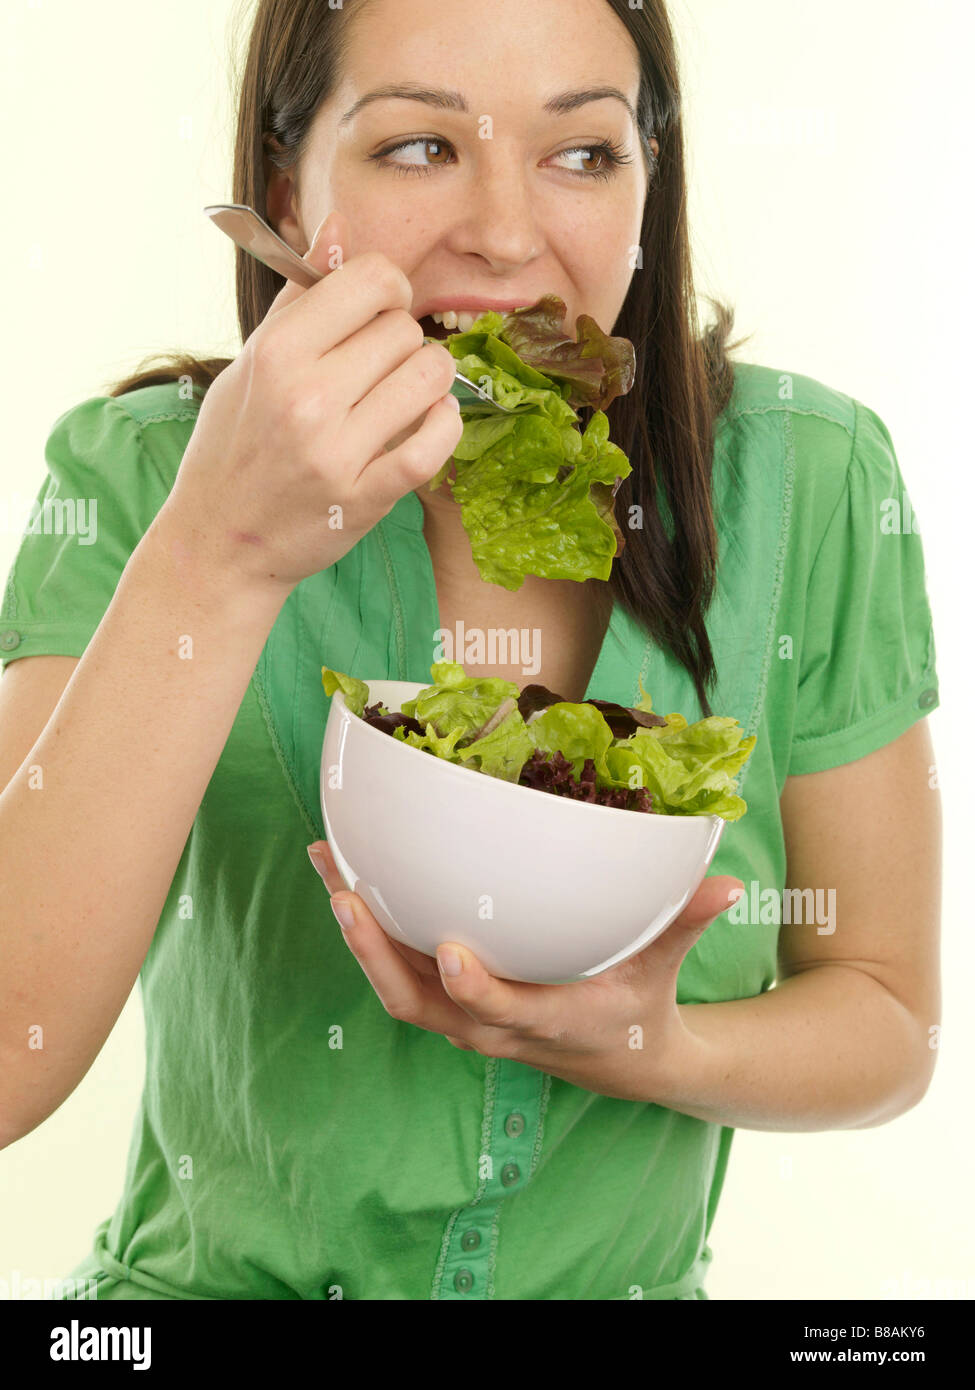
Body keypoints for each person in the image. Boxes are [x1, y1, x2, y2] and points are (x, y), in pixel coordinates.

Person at [0, 0, 941, 1301]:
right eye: (418, 148)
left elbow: (886, 1010)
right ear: (288, 183)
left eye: (583, 152)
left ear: (647, 184)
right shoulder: (144, 477)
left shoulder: (817, 479)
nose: (504, 234)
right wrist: (220, 547)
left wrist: (650, 1048)